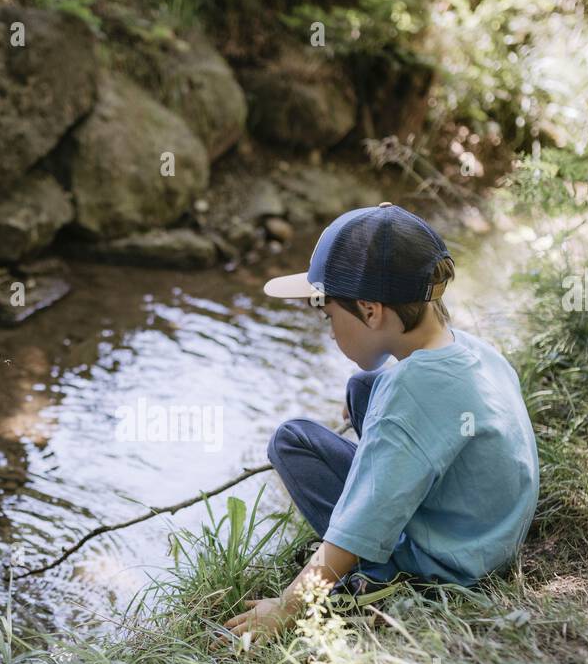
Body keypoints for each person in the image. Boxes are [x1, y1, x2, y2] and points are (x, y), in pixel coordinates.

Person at [223, 203, 539, 641]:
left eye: (328, 313)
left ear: (370, 311)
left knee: (291, 440)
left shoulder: (408, 394)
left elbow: (358, 529)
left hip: (447, 565)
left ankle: (382, 572)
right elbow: (411, 399)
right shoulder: (475, 352)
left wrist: (287, 609)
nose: (331, 330)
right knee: (364, 385)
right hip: (491, 535)